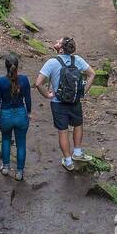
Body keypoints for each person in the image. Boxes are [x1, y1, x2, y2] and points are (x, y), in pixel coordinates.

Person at [35, 35, 95, 171]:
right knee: (78, 125)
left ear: (61, 49)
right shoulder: (77, 60)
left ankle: (68, 161)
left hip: (58, 102)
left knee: (63, 131)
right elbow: (92, 74)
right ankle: (78, 153)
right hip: (75, 100)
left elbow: (38, 83)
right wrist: (82, 91)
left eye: (58, 42)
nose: (55, 42)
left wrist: (47, 95)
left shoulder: (51, 63)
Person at [0, 53, 32, 181]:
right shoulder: (24, 80)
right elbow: (28, 99)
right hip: (21, 114)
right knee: (21, 144)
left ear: (5, 66)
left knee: (5, 140)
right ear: (17, 66)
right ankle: (19, 172)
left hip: (6, 114)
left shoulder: (1, 81)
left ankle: (5, 167)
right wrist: (29, 113)